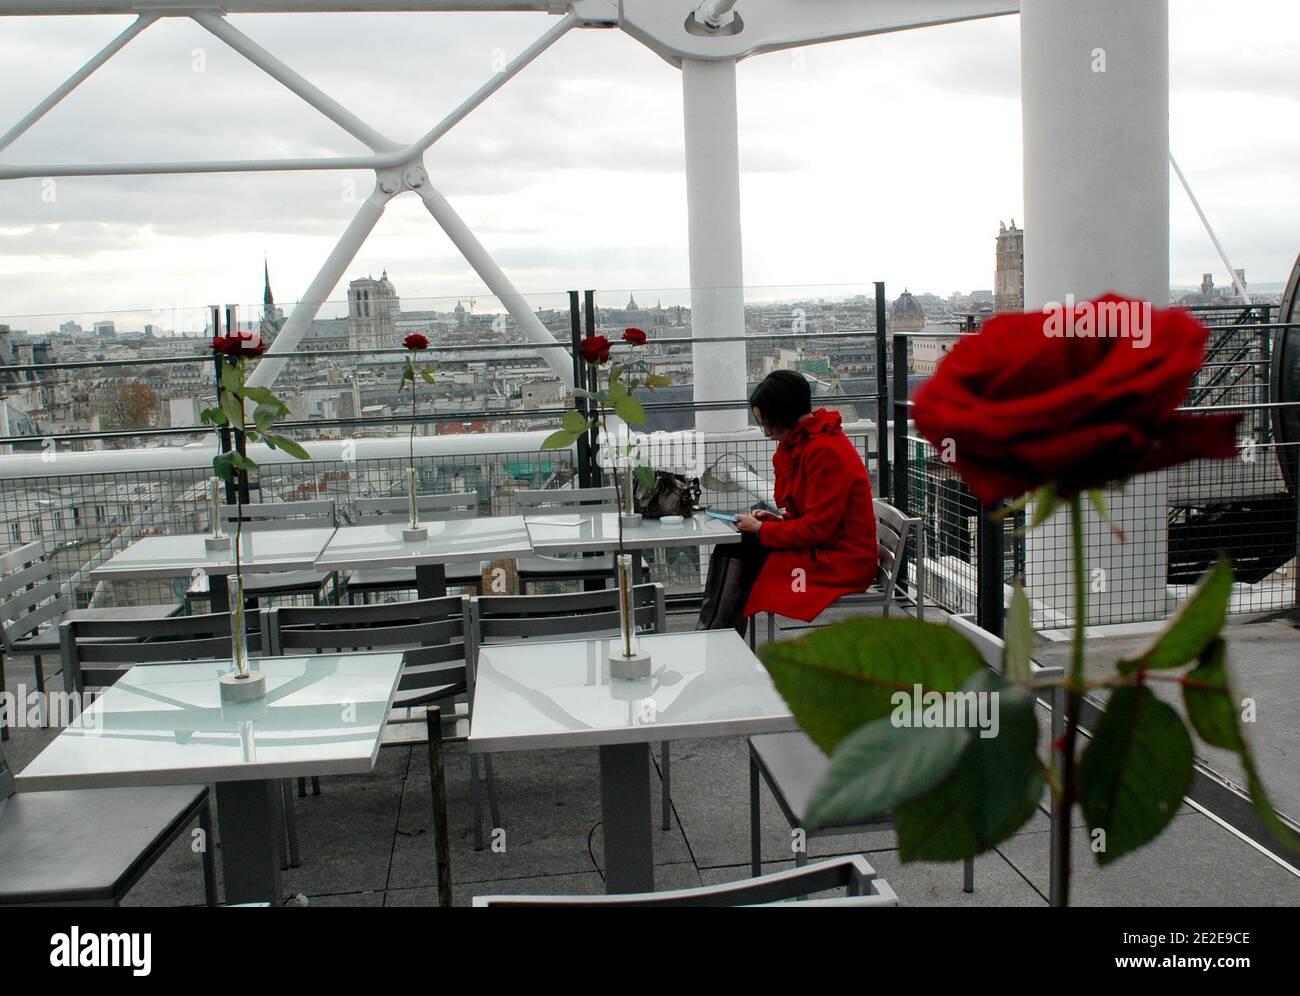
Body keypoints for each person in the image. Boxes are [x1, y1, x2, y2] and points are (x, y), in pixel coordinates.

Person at [698, 370, 879, 634]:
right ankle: (720, 633)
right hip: (834, 549)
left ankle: (717, 633)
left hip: (841, 561)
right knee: (738, 547)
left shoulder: (823, 452)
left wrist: (762, 529)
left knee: (739, 550)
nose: (766, 433)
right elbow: (819, 520)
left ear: (784, 415)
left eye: (768, 424)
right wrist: (778, 521)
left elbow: (817, 529)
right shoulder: (816, 443)